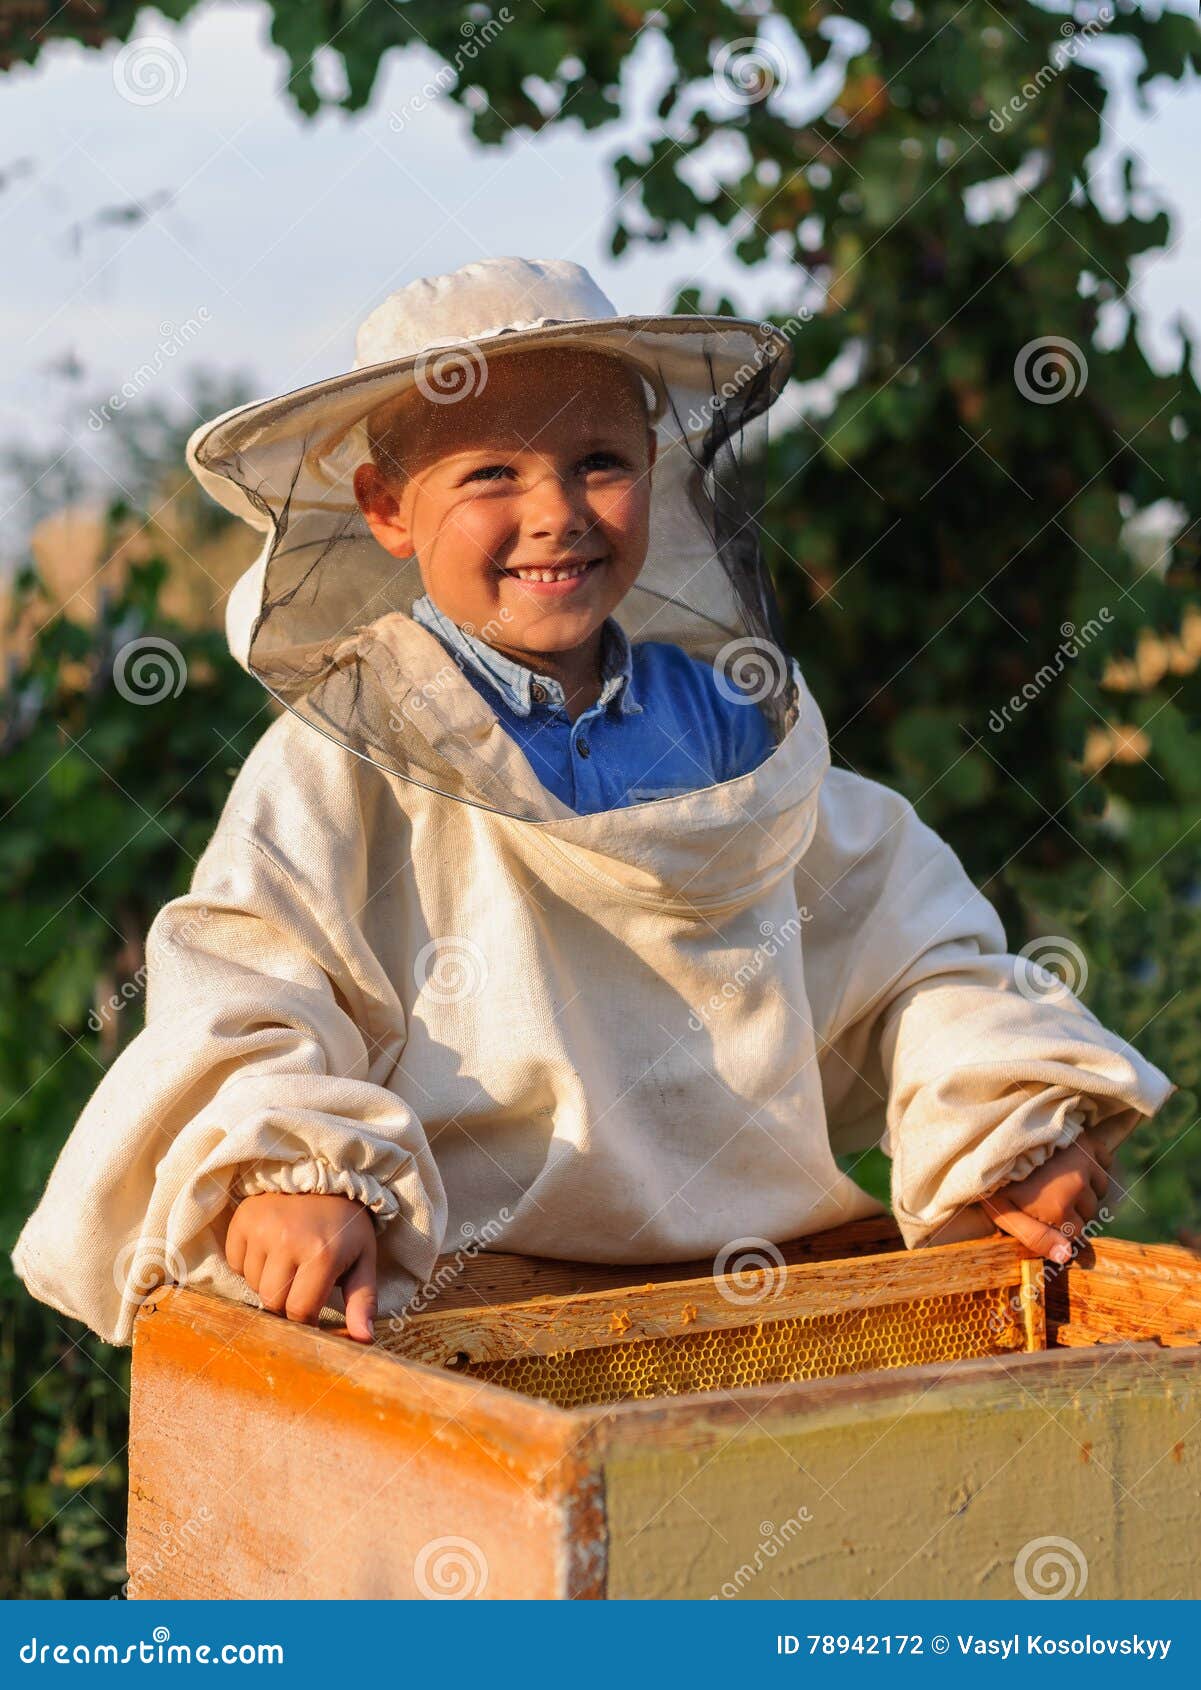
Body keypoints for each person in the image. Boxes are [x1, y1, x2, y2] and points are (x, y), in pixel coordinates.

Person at [11, 257, 1175, 1349]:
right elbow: (256, 978)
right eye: (491, 475)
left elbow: (906, 942)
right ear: (385, 506)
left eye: (598, 463)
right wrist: (294, 1169)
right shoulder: (344, 757)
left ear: (654, 474)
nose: (556, 511)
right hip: (458, 1300)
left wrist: (1004, 1117)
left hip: (758, 1292)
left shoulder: (729, 729)